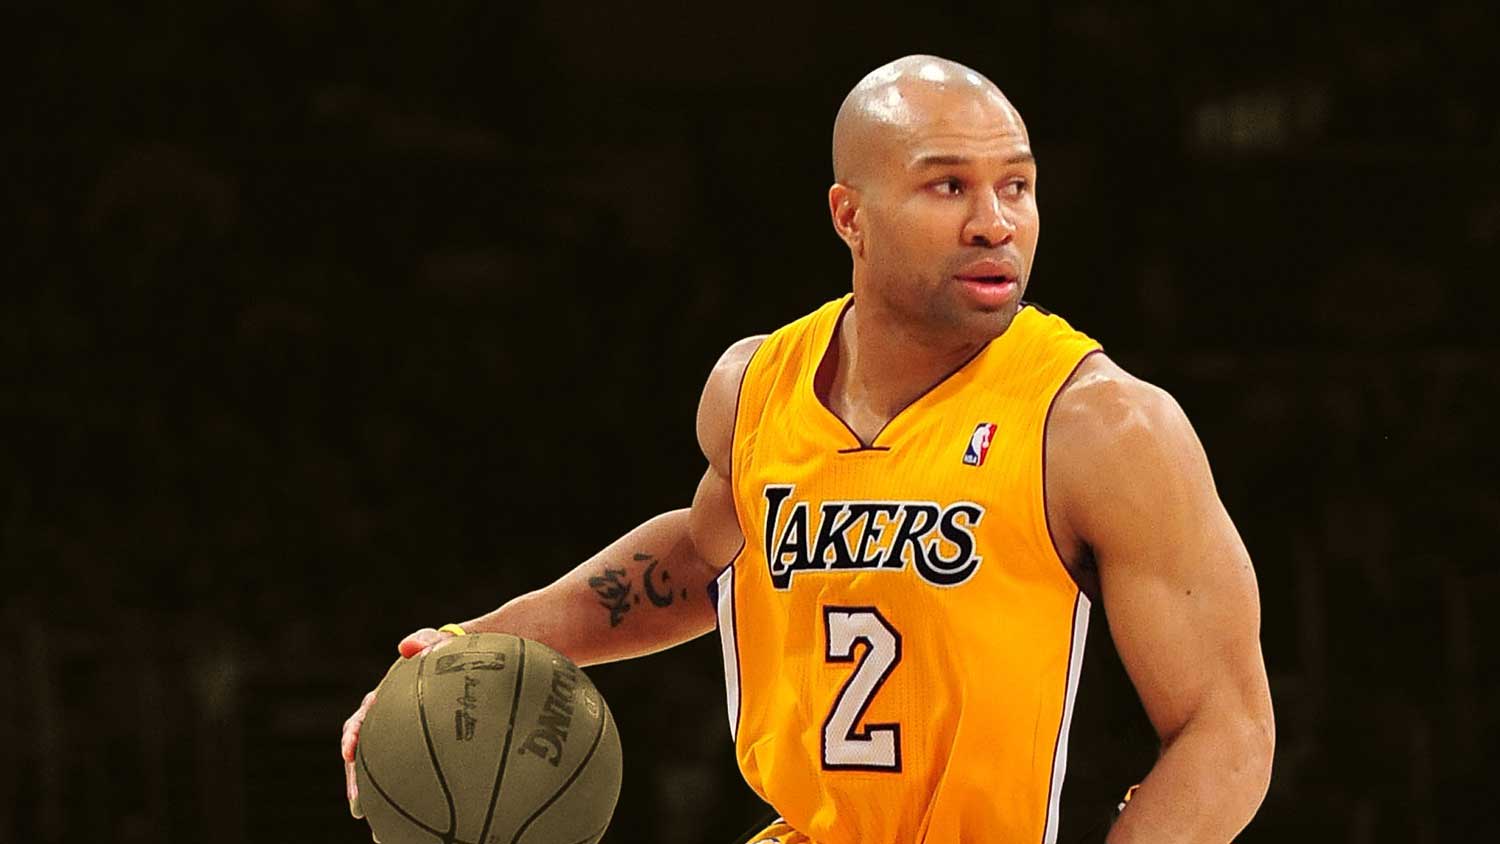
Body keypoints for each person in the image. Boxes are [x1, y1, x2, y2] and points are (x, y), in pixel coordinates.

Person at [341, 54, 1274, 843]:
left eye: (1017, 185)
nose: (995, 221)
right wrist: (475, 644)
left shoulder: (1101, 425)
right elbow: (704, 559)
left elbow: (1227, 731)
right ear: (849, 216)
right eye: (948, 185)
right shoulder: (755, 387)